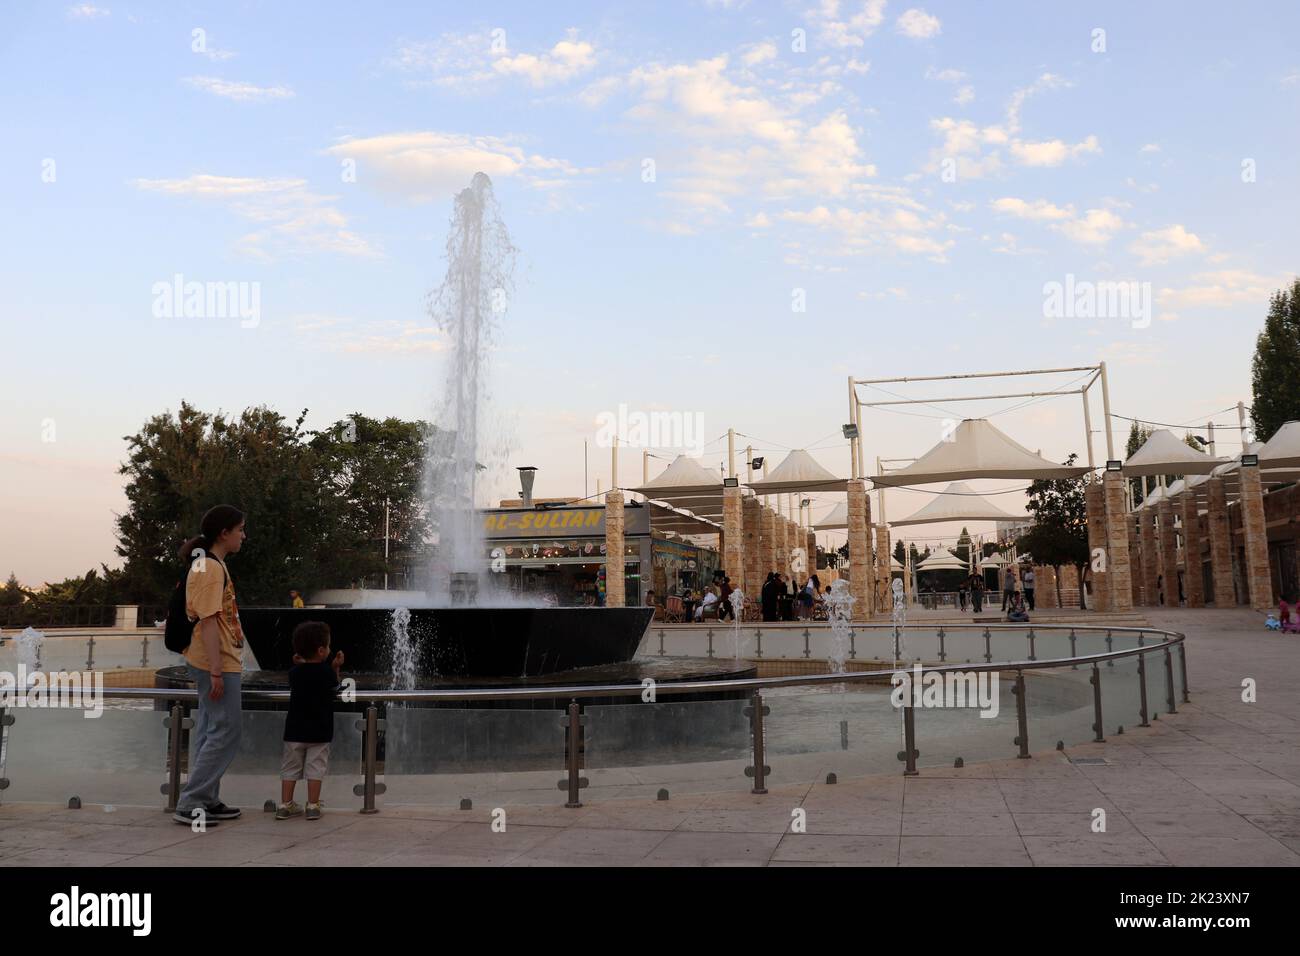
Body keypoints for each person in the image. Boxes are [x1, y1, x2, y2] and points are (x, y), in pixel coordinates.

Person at [173, 505, 247, 827]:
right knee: (227, 729)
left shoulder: (213, 564)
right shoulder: (209, 568)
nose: (243, 535)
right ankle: (191, 801)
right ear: (224, 533)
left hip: (216, 659)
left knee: (210, 729)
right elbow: (208, 620)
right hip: (215, 660)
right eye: (240, 529)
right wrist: (216, 669)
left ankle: (206, 799)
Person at [277, 621, 344, 821]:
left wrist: (301, 663)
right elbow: (335, 689)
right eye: (328, 646)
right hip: (320, 731)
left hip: (294, 730)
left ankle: (285, 805)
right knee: (316, 768)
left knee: (290, 768)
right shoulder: (327, 672)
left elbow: (302, 676)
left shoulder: (294, 673)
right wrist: (336, 667)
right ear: (321, 651)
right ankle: (313, 806)